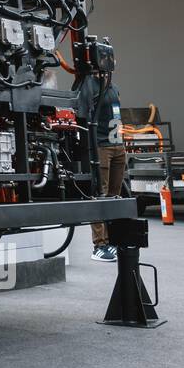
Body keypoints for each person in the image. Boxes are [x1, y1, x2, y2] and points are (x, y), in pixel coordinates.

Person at [75, 39, 122, 262]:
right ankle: (99, 245)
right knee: (99, 195)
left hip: (118, 147)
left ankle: (113, 240)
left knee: (115, 195)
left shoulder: (112, 86)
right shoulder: (89, 85)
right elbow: (83, 115)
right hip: (101, 147)